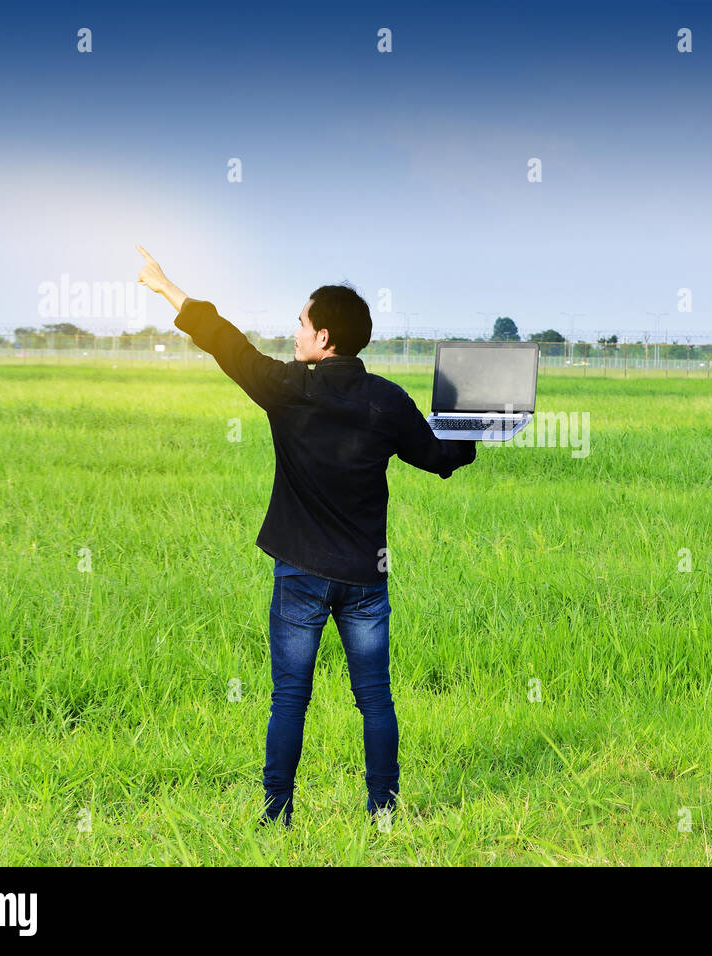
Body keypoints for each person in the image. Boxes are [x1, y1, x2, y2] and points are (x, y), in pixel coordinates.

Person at [136, 245, 477, 828]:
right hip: (365, 579)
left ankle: (277, 816)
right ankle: (383, 813)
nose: (294, 333)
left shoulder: (288, 387)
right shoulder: (388, 400)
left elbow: (225, 342)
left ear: (323, 337)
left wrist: (167, 287)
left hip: (299, 573)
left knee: (289, 699)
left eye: (300, 323)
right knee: (375, 699)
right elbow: (439, 457)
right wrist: (481, 426)